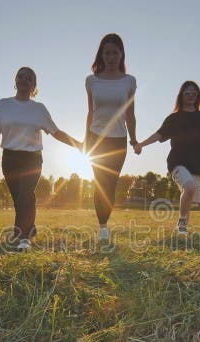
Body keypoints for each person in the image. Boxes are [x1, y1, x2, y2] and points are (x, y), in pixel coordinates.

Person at [0, 67, 82, 251]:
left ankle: (23, 239)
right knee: (18, 199)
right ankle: (28, 229)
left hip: (32, 158)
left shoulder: (39, 109)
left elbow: (56, 132)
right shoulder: (3, 105)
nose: (24, 80)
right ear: (15, 80)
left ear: (34, 85)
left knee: (27, 195)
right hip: (10, 158)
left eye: (29, 78)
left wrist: (79, 145)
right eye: (20, 76)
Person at [134, 81, 200, 235]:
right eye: (187, 93)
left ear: (198, 96)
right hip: (177, 162)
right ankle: (182, 222)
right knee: (189, 187)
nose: (191, 95)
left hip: (196, 164)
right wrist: (141, 145)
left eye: (194, 93)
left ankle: (182, 231)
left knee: (189, 196)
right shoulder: (174, 118)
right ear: (181, 96)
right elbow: (158, 135)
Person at [85, 33, 137, 241]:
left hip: (118, 140)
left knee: (111, 183)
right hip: (96, 138)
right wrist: (85, 140)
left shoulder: (129, 82)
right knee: (100, 183)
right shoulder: (91, 81)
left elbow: (130, 114)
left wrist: (134, 140)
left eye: (115, 52)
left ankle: (105, 220)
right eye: (107, 53)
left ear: (121, 54)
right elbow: (90, 113)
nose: (111, 57)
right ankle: (103, 227)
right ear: (101, 55)